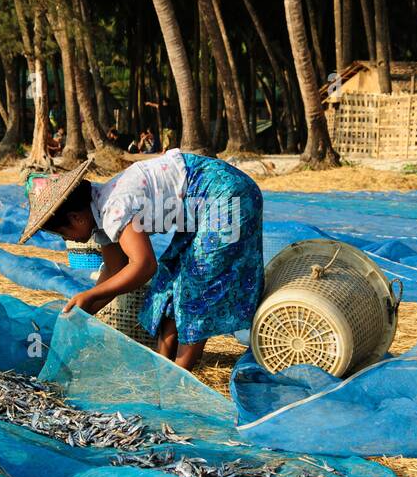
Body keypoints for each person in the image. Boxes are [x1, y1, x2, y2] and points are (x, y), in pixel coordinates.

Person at [18, 150, 264, 371]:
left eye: (64, 234)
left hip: (224, 194)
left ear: (76, 218)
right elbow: (114, 270)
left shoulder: (114, 208)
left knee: (198, 286)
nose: (66, 240)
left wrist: (90, 297)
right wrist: (83, 315)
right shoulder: (100, 212)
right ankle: (163, 363)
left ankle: (180, 375)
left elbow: (144, 265)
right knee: (170, 281)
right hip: (199, 204)